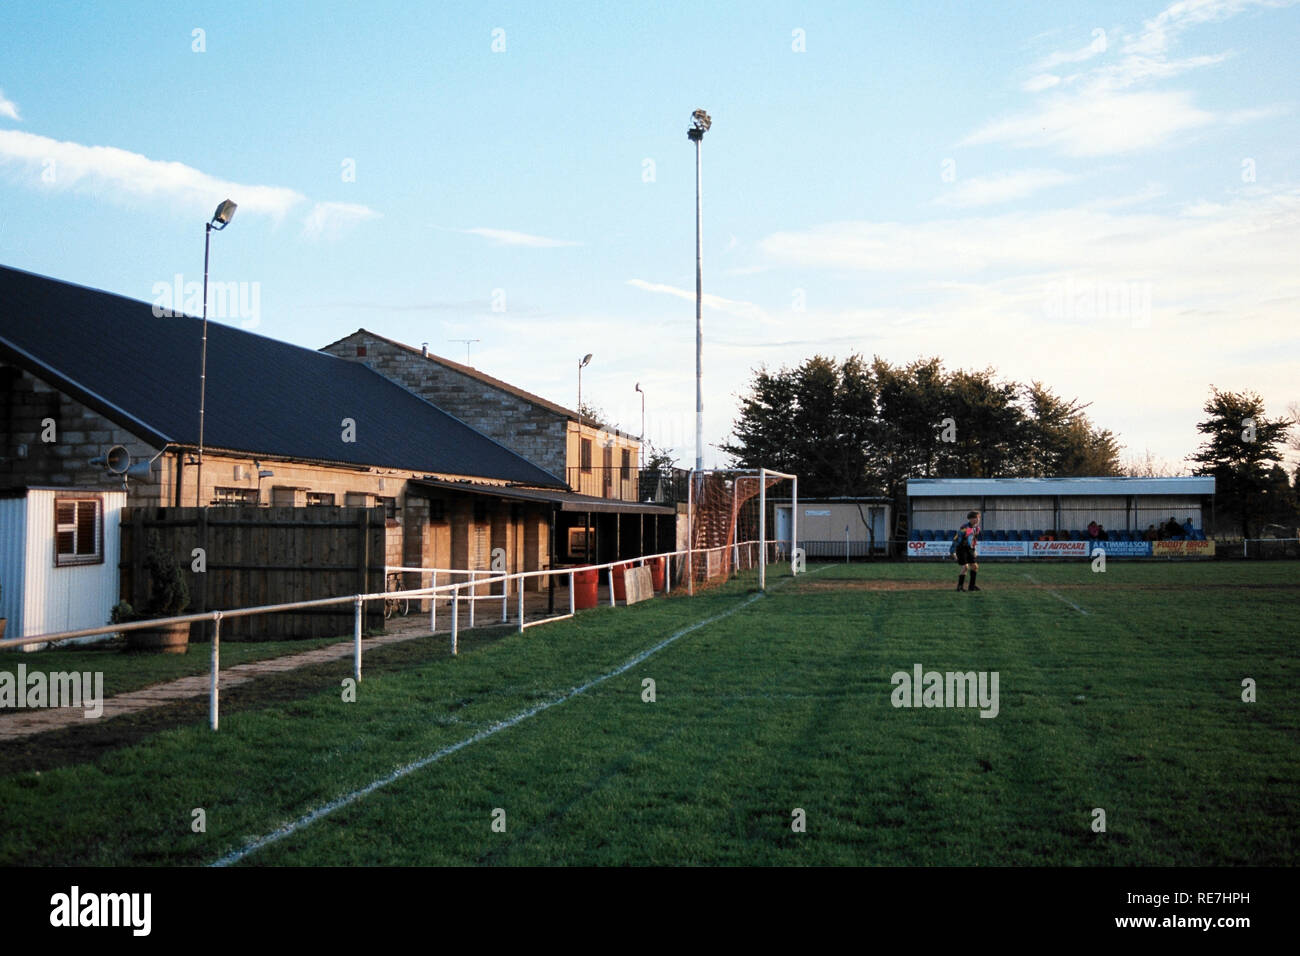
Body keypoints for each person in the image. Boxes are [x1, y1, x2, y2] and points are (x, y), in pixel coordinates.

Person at [949, 510, 982, 592]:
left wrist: (974, 550)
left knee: (975, 567)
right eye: (975, 518)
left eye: (978, 518)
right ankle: (959, 587)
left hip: (969, 549)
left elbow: (974, 540)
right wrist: (952, 551)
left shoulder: (977, 528)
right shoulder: (965, 528)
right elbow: (956, 539)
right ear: (970, 519)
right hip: (961, 548)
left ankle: (972, 586)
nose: (977, 520)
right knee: (965, 567)